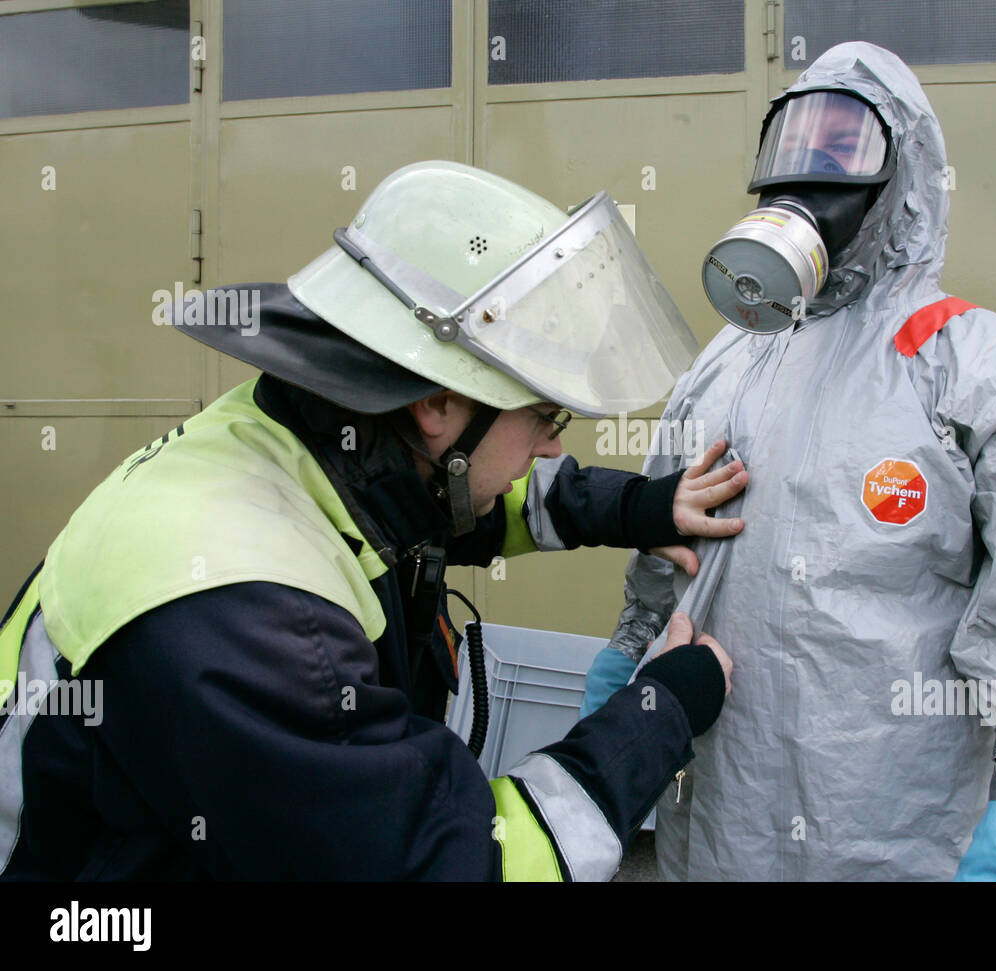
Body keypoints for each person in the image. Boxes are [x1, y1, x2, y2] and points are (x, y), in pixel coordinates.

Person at [0, 160, 747, 881]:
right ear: (436, 403)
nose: (554, 443)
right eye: (544, 414)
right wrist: (657, 712)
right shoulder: (254, 631)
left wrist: (642, 506)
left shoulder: (322, 438)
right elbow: (457, 864)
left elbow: (471, 504)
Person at [581, 42, 996, 881]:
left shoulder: (985, 374)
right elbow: (668, 543)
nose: (808, 176)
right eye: (793, 150)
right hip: (720, 819)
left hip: (894, 828)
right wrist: (625, 658)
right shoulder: (726, 364)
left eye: (843, 152)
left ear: (905, 178)